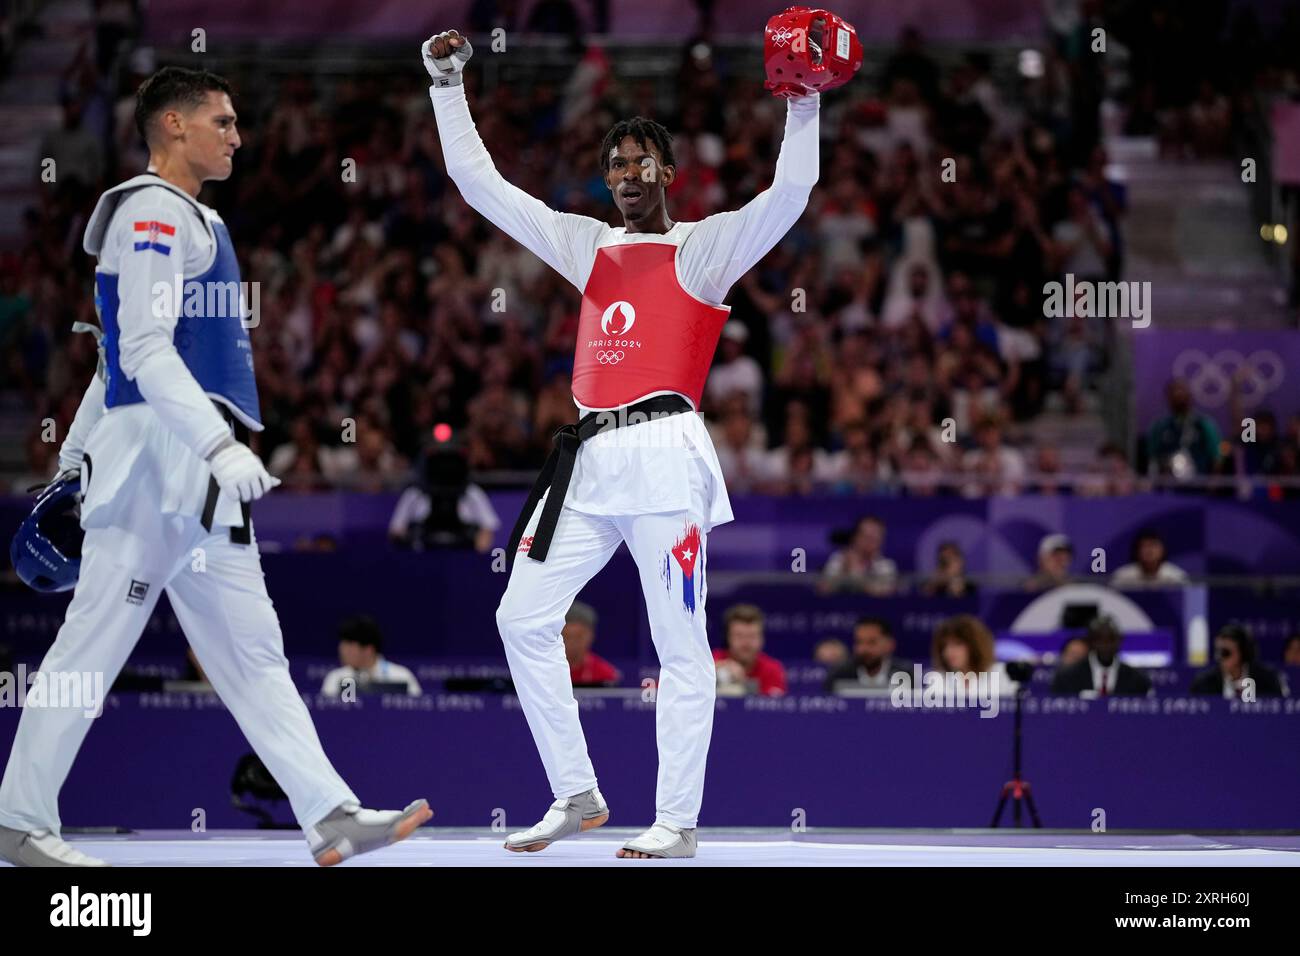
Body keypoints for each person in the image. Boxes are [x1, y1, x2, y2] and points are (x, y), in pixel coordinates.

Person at [0, 67, 430, 868]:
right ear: (172, 125)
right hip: (165, 462)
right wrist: (216, 446)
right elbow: (143, 351)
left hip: (193, 471)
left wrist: (70, 460)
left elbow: (106, 365)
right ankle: (21, 822)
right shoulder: (153, 212)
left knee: (252, 651)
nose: (237, 135)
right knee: (89, 647)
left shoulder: (192, 218)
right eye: (223, 122)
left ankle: (328, 813)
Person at [423, 27, 822, 859]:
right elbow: (478, 182)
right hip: (588, 462)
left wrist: (803, 101)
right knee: (520, 618)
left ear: (667, 173)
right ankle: (577, 792)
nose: (627, 176)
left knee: (680, 646)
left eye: (641, 162)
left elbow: (792, 192)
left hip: (667, 458)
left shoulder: (702, 248)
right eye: (615, 166)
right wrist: (446, 82)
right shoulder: (585, 244)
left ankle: (676, 820)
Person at [1050, 616, 1152, 696]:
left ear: (1119, 641)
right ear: (1090, 642)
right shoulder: (1066, 677)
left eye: (1111, 639)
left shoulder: (1137, 680)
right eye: (1099, 639)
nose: (1105, 645)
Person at [321, 615, 422, 697]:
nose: (342, 650)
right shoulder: (335, 678)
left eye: (349, 645)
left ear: (368, 650)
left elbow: (417, 715)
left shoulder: (401, 676)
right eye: (342, 644)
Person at [1189, 624, 1287, 699]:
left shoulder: (1267, 680)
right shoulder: (1203, 683)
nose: (1219, 657)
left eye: (1225, 652)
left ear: (1243, 652)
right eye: (1217, 652)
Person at [712, 604, 787, 697]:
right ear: (727, 638)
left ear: (762, 639)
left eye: (752, 636)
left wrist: (744, 683)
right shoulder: (711, 660)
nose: (746, 643)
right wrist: (720, 667)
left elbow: (772, 707)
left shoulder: (773, 669)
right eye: (739, 636)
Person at [824, 617, 913, 692]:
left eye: (871, 642)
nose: (863, 649)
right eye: (859, 642)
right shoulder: (839, 675)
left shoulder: (906, 674)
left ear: (890, 645)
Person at [819, 515, 899, 596]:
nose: (872, 543)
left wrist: (855, 576)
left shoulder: (886, 565)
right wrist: (845, 569)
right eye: (868, 537)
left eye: (876, 538)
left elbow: (885, 593)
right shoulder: (839, 559)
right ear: (856, 537)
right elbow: (824, 589)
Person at [563, 601, 621, 687]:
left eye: (579, 636)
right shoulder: (547, 671)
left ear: (591, 636)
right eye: (567, 636)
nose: (572, 642)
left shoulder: (606, 674)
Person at [1111, 528, 1187, 588]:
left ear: (1163, 550)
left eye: (1153, 546)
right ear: (1137, 550)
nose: (1149, 551)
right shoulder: (1122, 576)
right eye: (1145, 546)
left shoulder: (1176, 577)